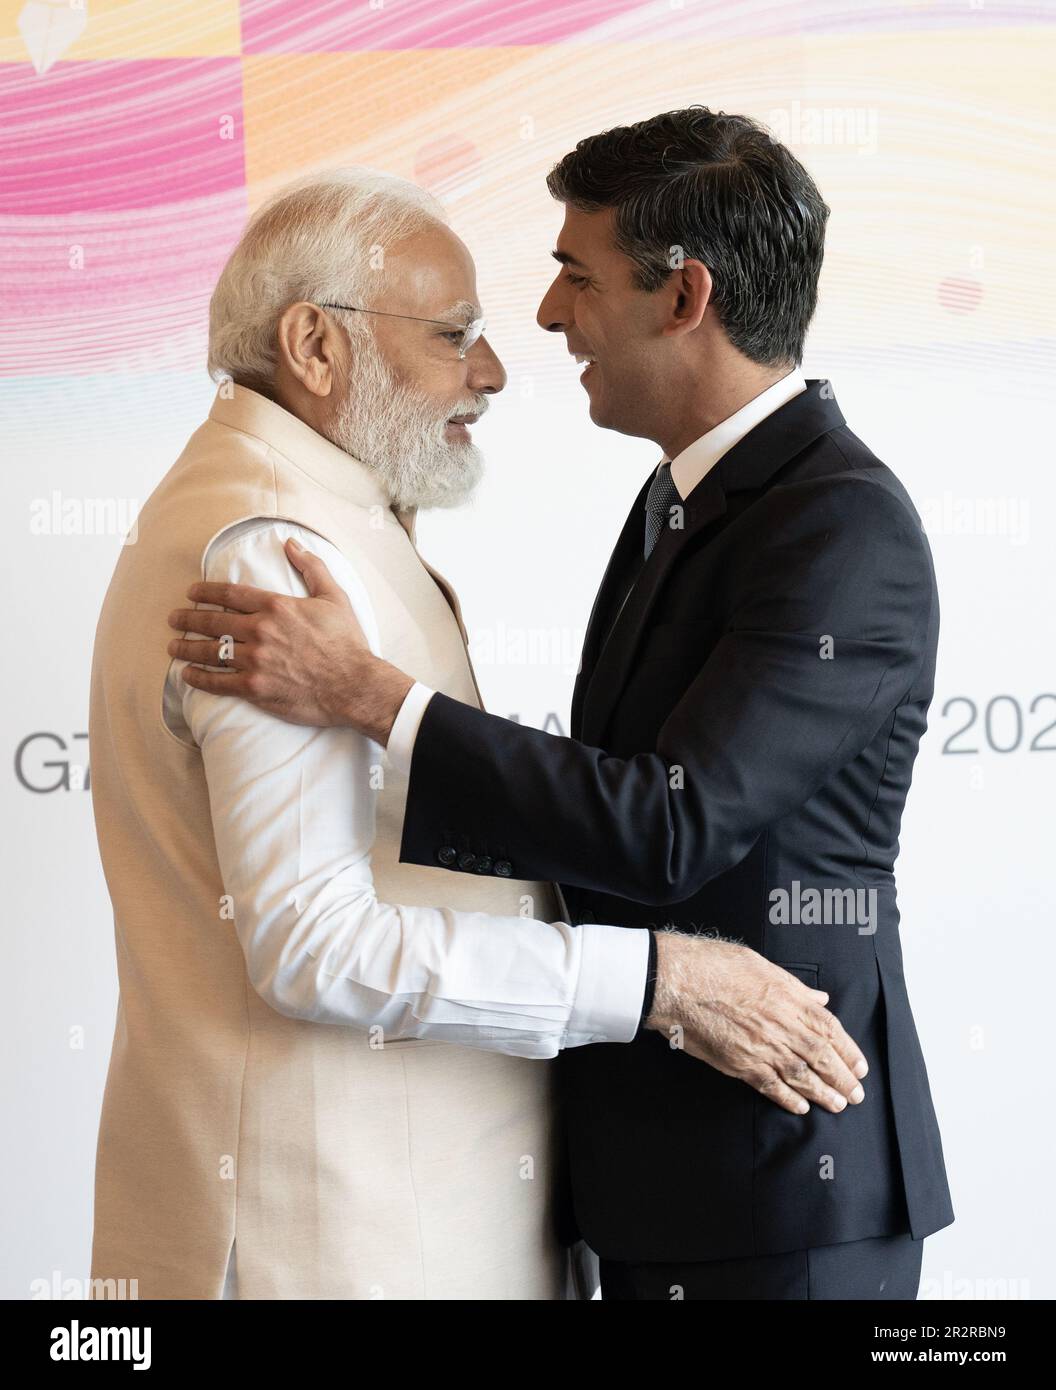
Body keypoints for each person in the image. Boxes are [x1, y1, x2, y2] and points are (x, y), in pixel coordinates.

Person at [168, 110, 955, 1301]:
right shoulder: (681, 502)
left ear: (683, 297)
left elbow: (669, 827)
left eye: (574, 278)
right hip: (652, 1180)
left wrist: (372, 695)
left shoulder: (841, 527)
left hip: (781, 1186)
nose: (544, 321)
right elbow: (601, 822)